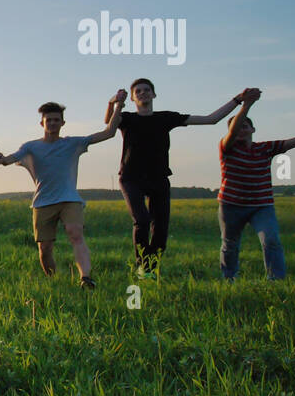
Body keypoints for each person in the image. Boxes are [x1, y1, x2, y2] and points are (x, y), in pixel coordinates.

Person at [104, 78, 259, 276]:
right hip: (131, 177)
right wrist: (115, 101)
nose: (143, 93)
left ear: (153, 94)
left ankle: (150, 269)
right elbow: (109, 124)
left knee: (160, 229)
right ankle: (142, 265)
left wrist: (238, 100)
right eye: (139, 91)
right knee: (141, 220)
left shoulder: (166, 117)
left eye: (147, 90)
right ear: (133, 97)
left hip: (159, 178)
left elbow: (211, 119)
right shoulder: (126, 118)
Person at [0, 98, 121, 288]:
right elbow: (6, 161)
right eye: (48, 120)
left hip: (69, 199)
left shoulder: (73, 143)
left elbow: (109, 133)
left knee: (75, 233)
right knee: (45, 248)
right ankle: (53, 281)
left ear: (62, 123)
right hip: (42, 202)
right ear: (42, 123)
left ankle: (86, 278)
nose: (52, 123)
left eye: (56, 120)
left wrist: (117, 105)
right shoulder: (30, 147)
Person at [218, 89, 295, 280]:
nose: (241, 129)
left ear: (253, 130)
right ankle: (229, 279)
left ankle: (276, 281)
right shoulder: (226, 147)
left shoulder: (266, 148)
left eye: (245, 126)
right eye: (237, 127)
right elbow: (232, 130)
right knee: (230, 244)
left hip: (261, 206)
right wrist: (246, 105)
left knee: (271, 241)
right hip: (231, 205)